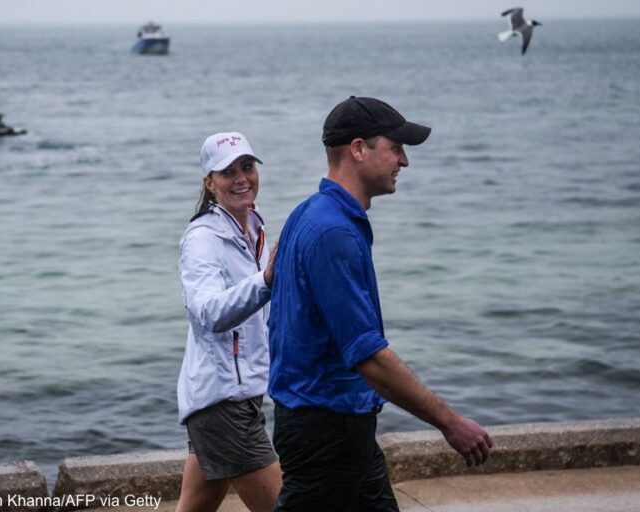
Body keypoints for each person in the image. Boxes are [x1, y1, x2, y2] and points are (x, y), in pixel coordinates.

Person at [268, 96, 494, 511]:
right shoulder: (332, 232)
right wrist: (451, 423)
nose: (404, 161)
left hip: (334, 423)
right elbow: (367, 354)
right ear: (358, 149)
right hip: (326, 432)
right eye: (396, 148)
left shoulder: (308, 214)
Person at [175, 132, 282, 512]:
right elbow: (209, 314)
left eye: (247, 166)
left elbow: (261, 317)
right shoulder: (203, 238)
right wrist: (266, 280)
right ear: (209, 182)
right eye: (226, 171)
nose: (241, 178)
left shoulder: (253, 228)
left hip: (238, 395)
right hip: (222, 403)